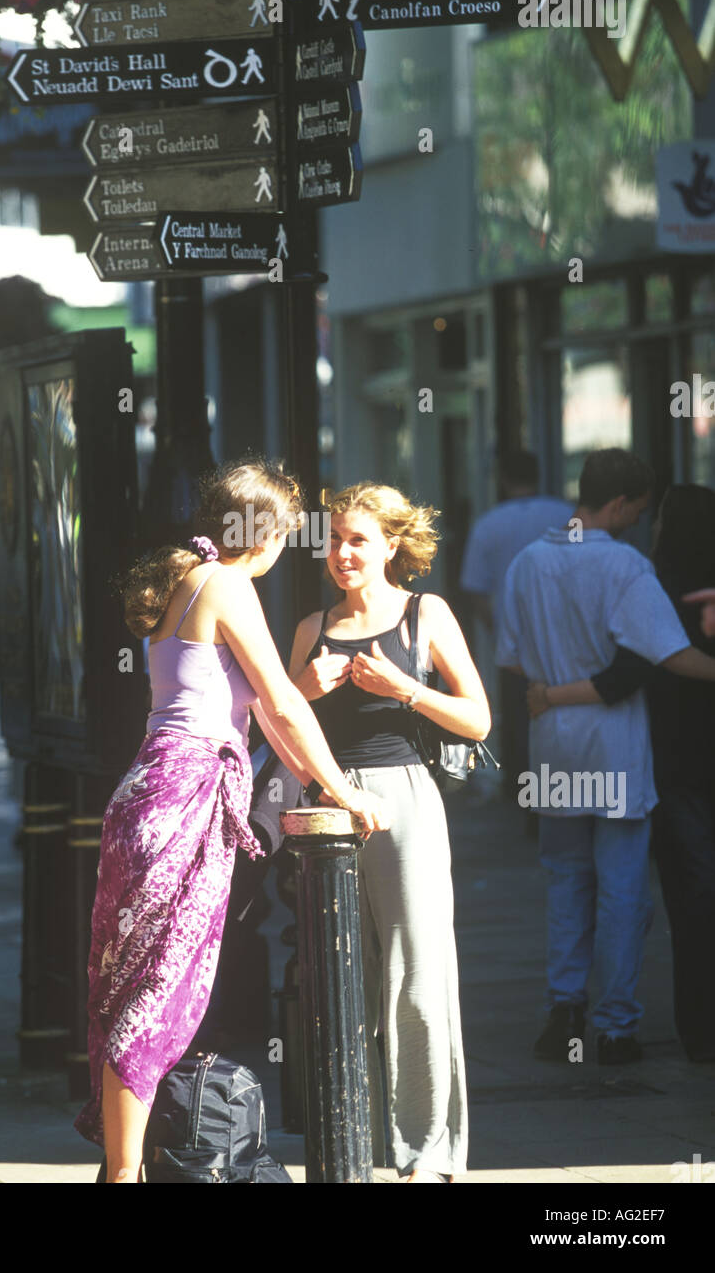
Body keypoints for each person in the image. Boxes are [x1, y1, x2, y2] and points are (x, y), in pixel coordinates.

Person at [72, 461, 389, 1184]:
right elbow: (279, 703)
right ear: (268, 534)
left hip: (150, 795)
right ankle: (123, 1176)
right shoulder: (228, 584)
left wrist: (315, 776)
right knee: (157, 987)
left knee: (134, 981)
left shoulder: (193, 580)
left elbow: (255, 712)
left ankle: (120, 1167)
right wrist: (340, 787)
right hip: (182, 797)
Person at [289, 482, 491, 1183]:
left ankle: (424, 1154)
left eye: (358, 540)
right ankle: (355, 1148)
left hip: (405, 801)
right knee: (344, 978)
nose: (341, 553)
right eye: (334, 538)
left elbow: (478, 719)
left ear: (392, 546)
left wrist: (403, 689)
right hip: (328, 809)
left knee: (416, 978)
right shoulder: (311, 629)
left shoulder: (423, 615)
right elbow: (279, 726)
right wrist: (307, 690)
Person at [496, 450, 715, 1066]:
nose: (639, 523)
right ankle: (617, 1025)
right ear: (619, 505)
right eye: (637, 512)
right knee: (622, 890)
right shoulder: (626, 565)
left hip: (552, 744)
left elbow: (511, 658)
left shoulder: (529, 561)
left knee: (565, 880)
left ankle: (563, 1007)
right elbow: (670, 654)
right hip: (614, 745)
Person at [460, 450, 573, 798]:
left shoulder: (489, 524)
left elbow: (475, 589)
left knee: (521, 715)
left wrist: (498, 630)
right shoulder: (566, 515)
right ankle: (564, 786)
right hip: (568, 636)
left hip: (517, 639)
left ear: (503, 480)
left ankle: (523, 790)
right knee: (566, 710)